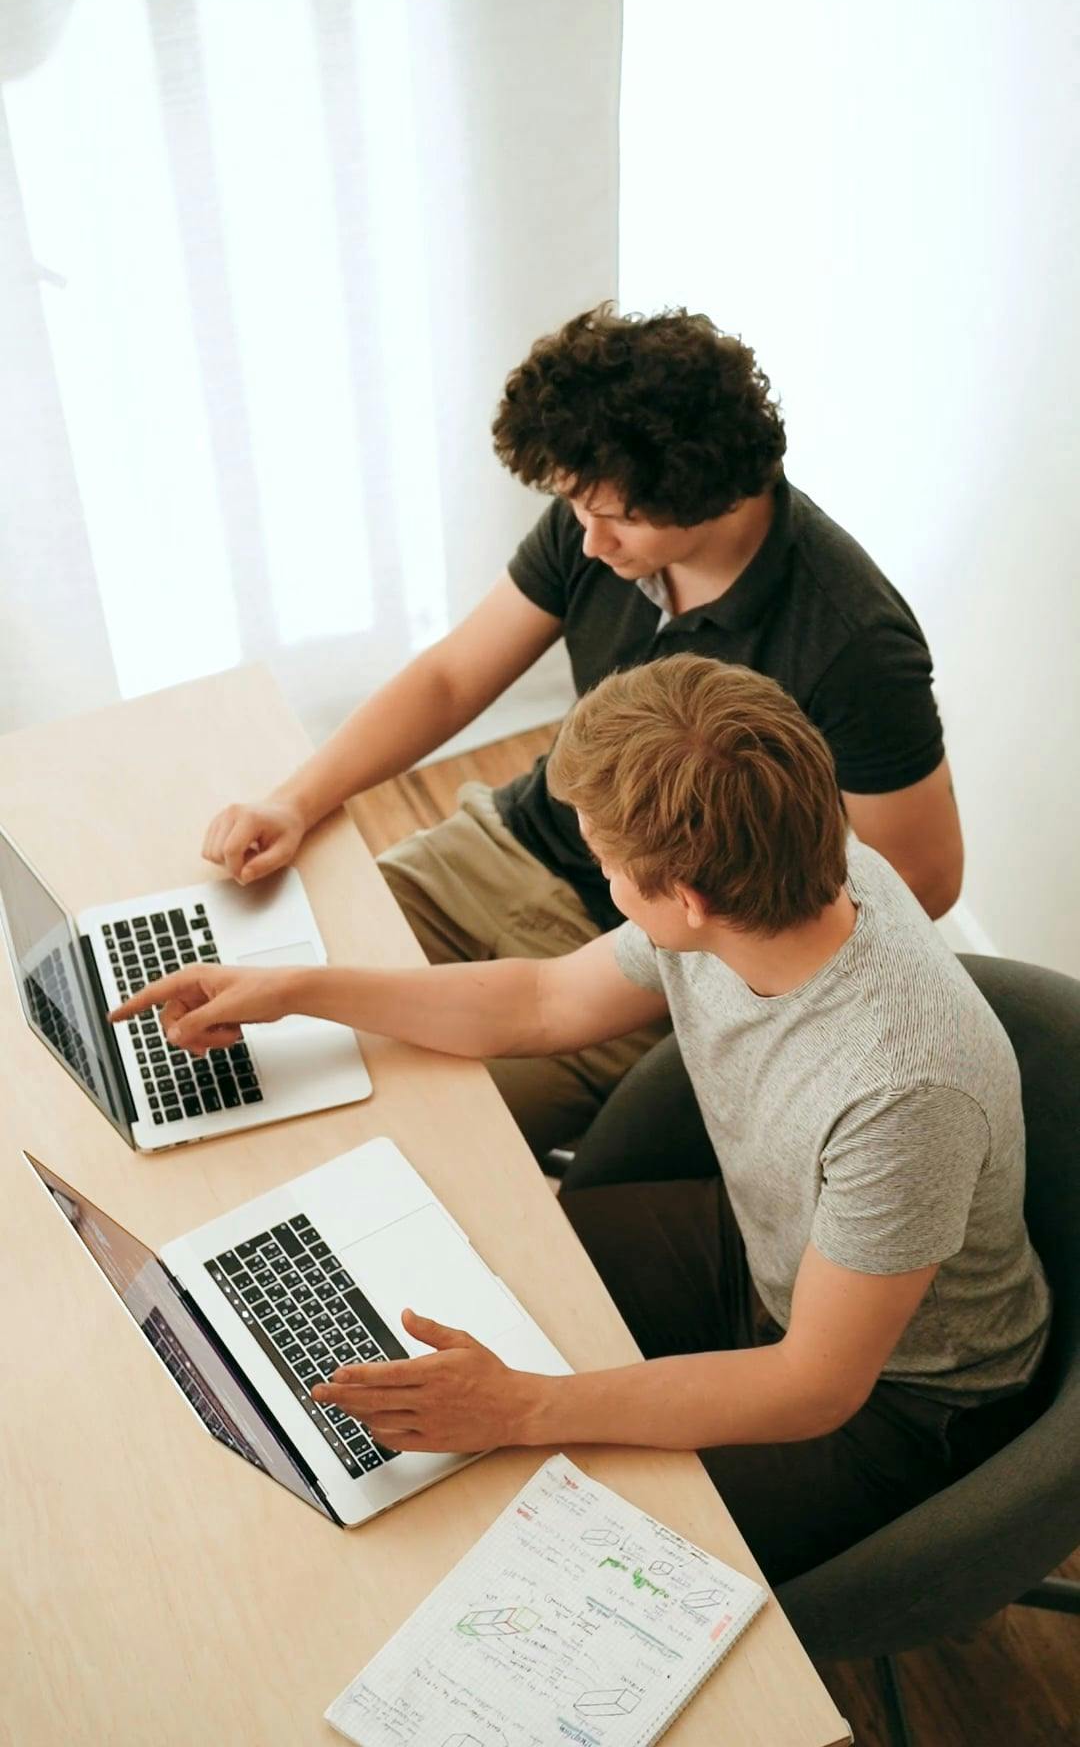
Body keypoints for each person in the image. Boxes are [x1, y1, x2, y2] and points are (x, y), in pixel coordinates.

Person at [112, 655, 1048, 1585]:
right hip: (775, 1253)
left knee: (540, 1542)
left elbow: (812, 1385)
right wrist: (298, 991)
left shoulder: (904, 1092)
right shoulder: (792, 864)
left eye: (605, 864)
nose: (600, 879)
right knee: (470, 1270)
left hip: (901, 1396)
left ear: (686, 899)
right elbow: (546, 1003)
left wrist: (522, 1409)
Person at [200, 304, 963, 1158]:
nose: (589, 542)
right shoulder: (599, 516)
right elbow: (453, 678)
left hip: (645, 946)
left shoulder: (852, 640)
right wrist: (297, 801)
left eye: (617, 520)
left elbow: (922, 877)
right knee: (254, 994)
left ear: (713, 488)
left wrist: (707, 938)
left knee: (396, 1127)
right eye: (575, 507)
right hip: (507, 844)